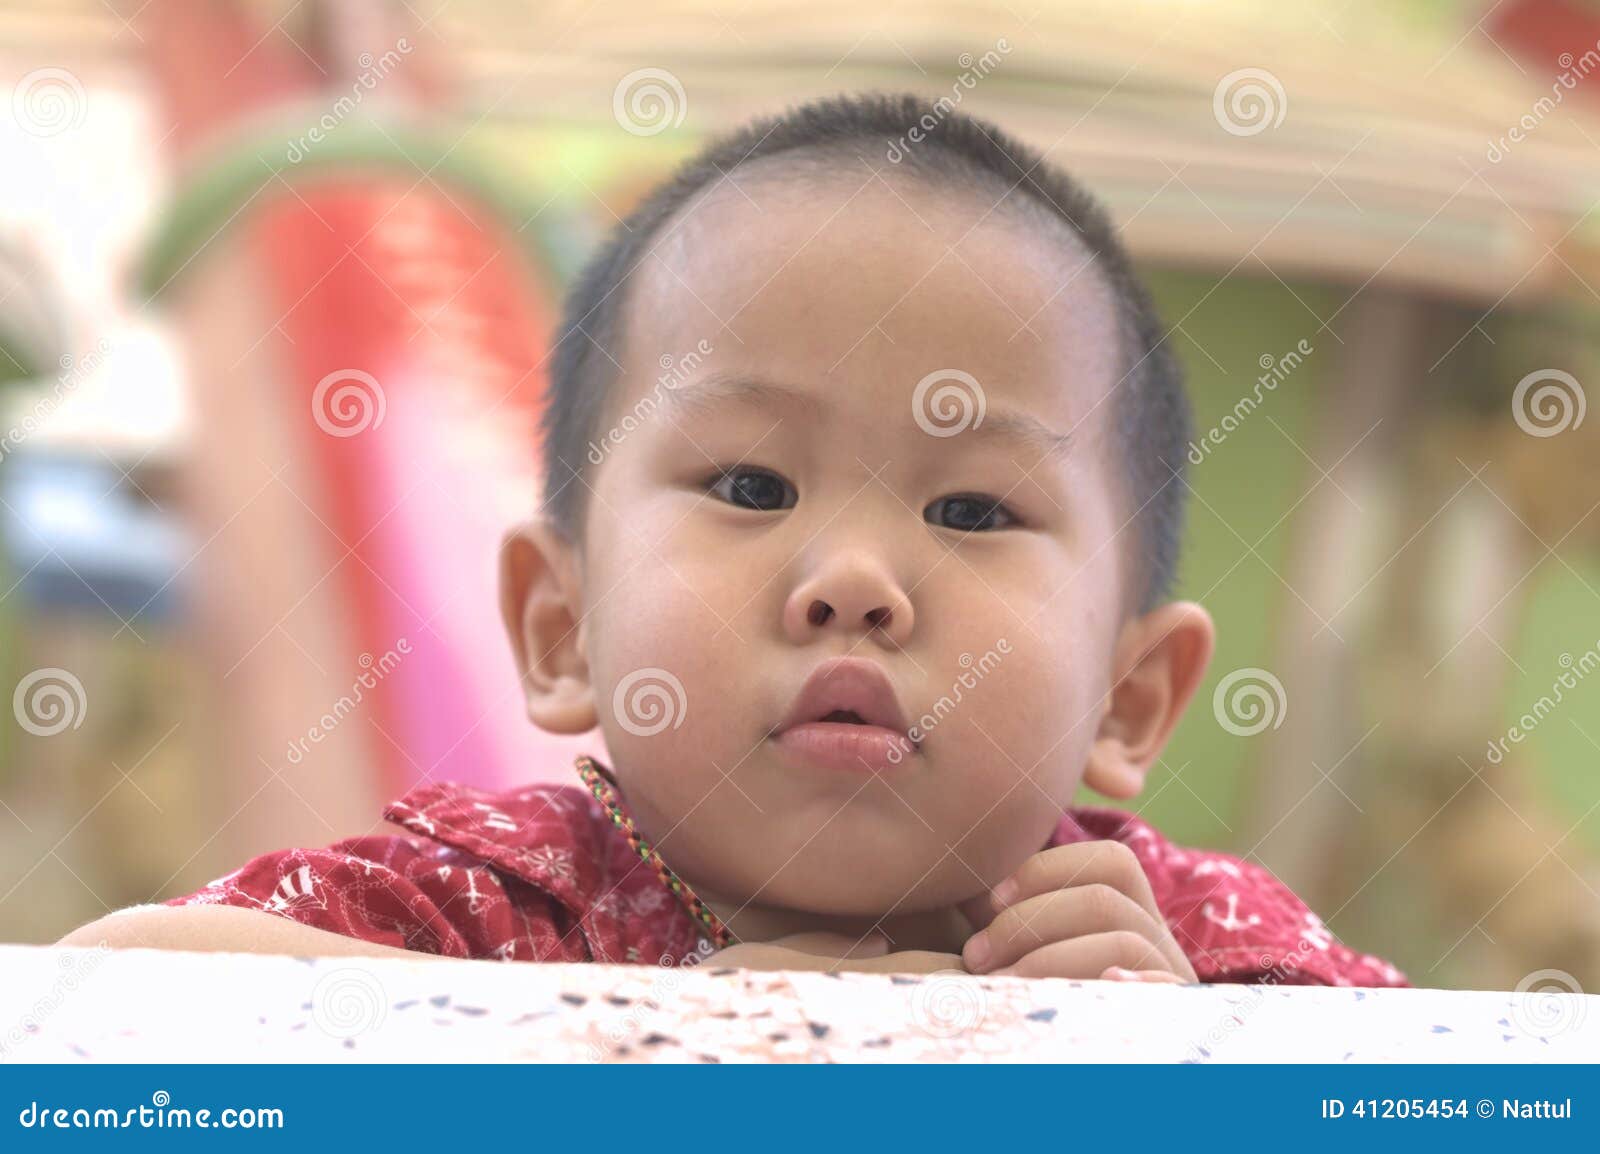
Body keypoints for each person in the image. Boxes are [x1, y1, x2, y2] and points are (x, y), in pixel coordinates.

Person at [59, 93, 1407, 987]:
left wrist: (1218, 1074)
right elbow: (118, 1001)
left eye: (973, 511)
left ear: (1130, 697)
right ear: (558, 625)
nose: (855, 583)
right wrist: (653, 1037)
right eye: (753, 484)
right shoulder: (496, 912)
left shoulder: (1181, 946)